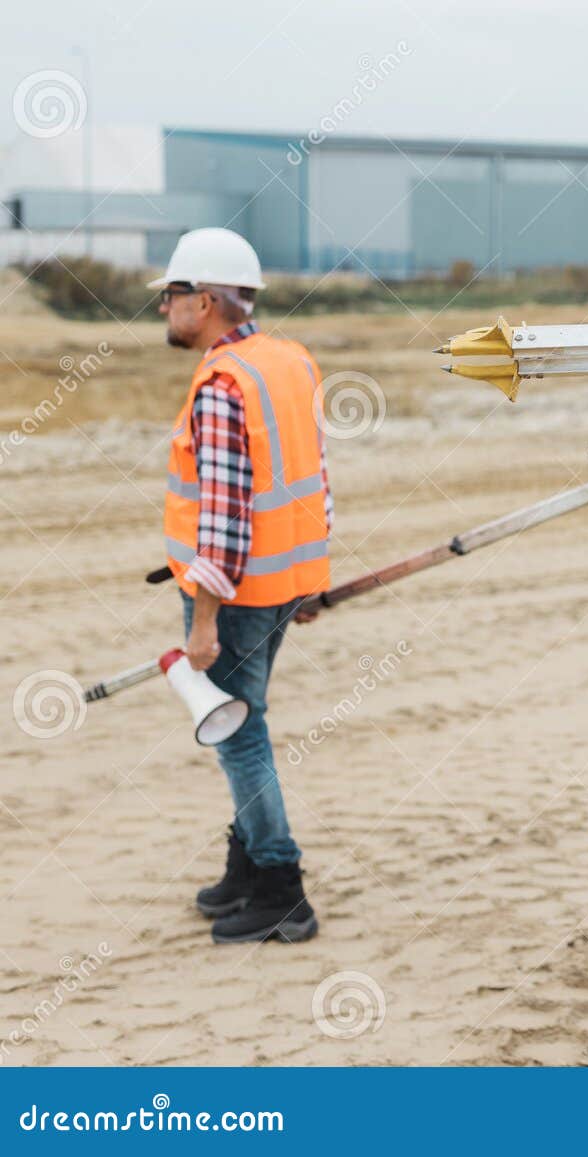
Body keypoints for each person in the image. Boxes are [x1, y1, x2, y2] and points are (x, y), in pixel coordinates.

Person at [152, 227, 330, 944]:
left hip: (238, 593)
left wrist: (202, 621)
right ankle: (249, 867)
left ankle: (280, 886)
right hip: (282, 584)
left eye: (170, 296)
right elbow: (316, 477)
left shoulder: (225, 385)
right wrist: (311, 582)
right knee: (245, 720)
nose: (163, 309)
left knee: (239, 733)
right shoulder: (288, 361)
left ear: (204, 301)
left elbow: (224, 517)